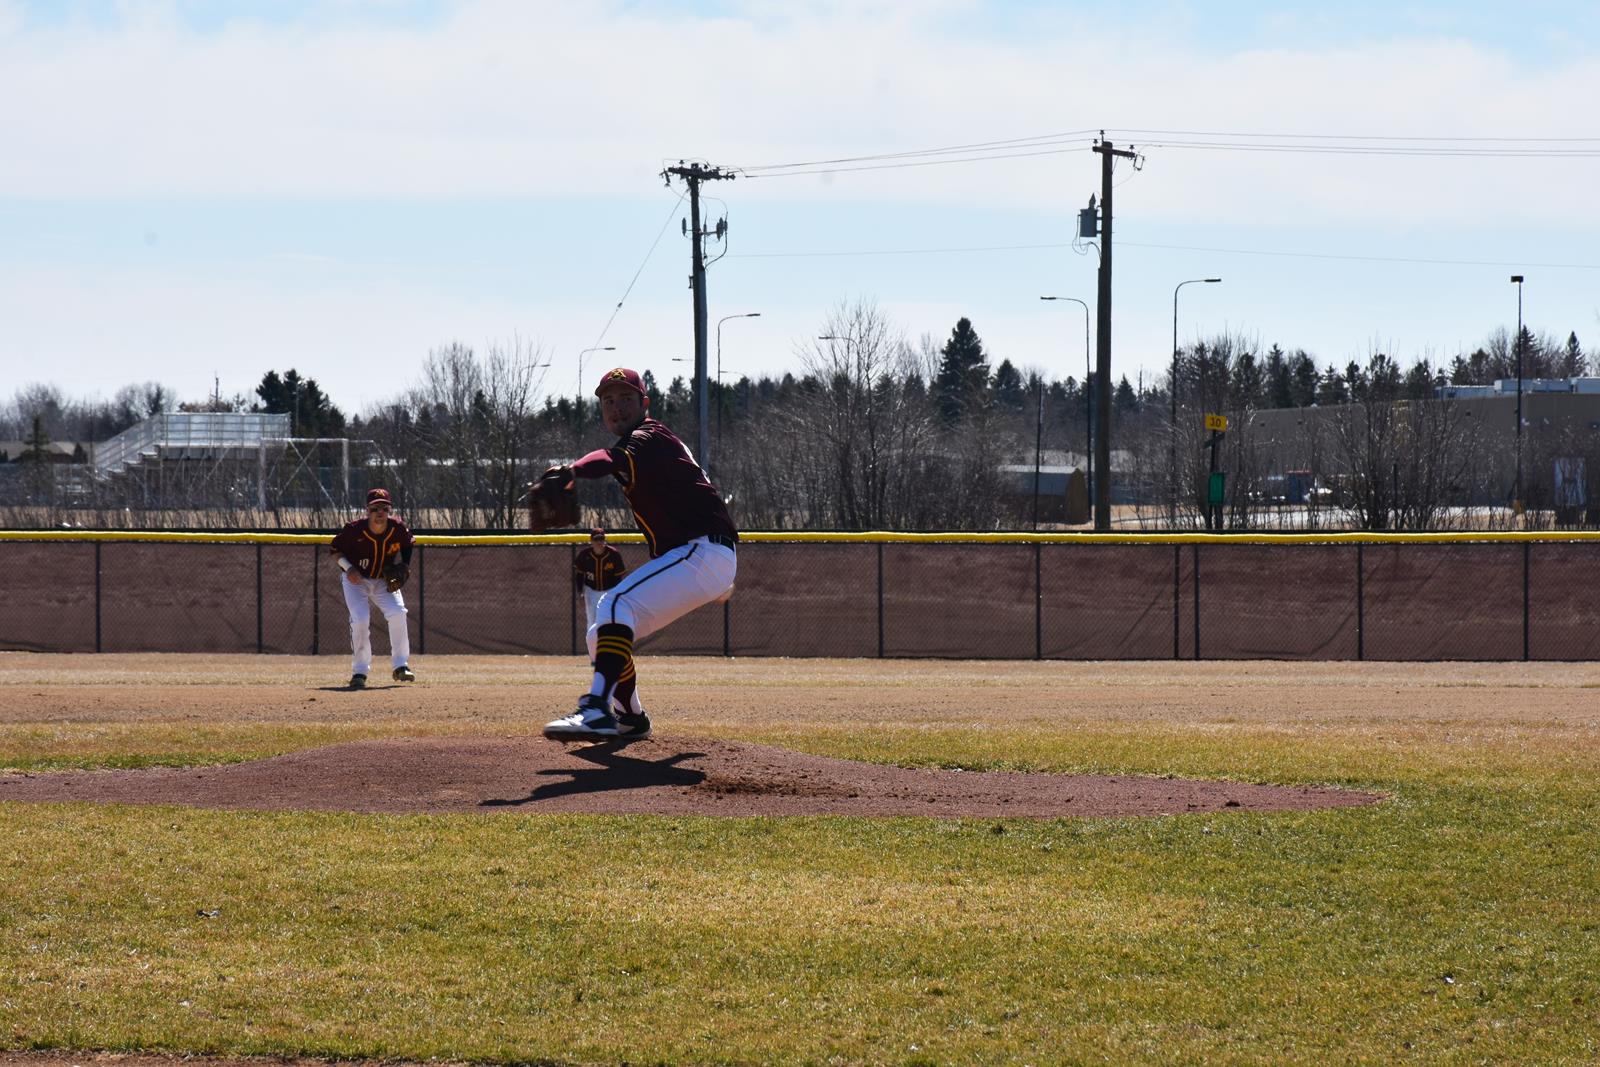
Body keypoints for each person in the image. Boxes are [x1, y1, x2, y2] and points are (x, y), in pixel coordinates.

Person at [543, 367, 737, 740]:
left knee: (614, 604)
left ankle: (596, 709)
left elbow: (609, 459)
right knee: (600, 635)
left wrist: (572, 471)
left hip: (702, 551)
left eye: (626, 399)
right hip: (701, 557)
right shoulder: (651, 443)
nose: (617, 407)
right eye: (608, 400)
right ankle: (629, 717)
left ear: (644, 403)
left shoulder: (648, 436)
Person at [330, 487, 416, 689]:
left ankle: (401, 666)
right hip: (356, 581)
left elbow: (408, 543)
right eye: (375, 508)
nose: (380, 512)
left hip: (383, 580)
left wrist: (404, 564)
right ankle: (359, 672)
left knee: (398, 613)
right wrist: (348, 568)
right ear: (367, 510)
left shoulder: (397, 528)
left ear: (390, 510)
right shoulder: (354, 530)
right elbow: (335, 550)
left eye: (384, 508)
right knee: (360, 619)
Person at [573, 527, 628, 647]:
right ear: (591, 541)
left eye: (601, 538)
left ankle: (610, 648)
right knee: (592, 621)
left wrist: (616, 595)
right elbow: (579, 575)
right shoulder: (585, 555)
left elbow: (618, 578)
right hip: (590, 591)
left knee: (609, 620)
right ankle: (593, 653)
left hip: (609, 591)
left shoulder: (613, 554)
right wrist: (580, 593)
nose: (599, 542)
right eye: (596, 539)